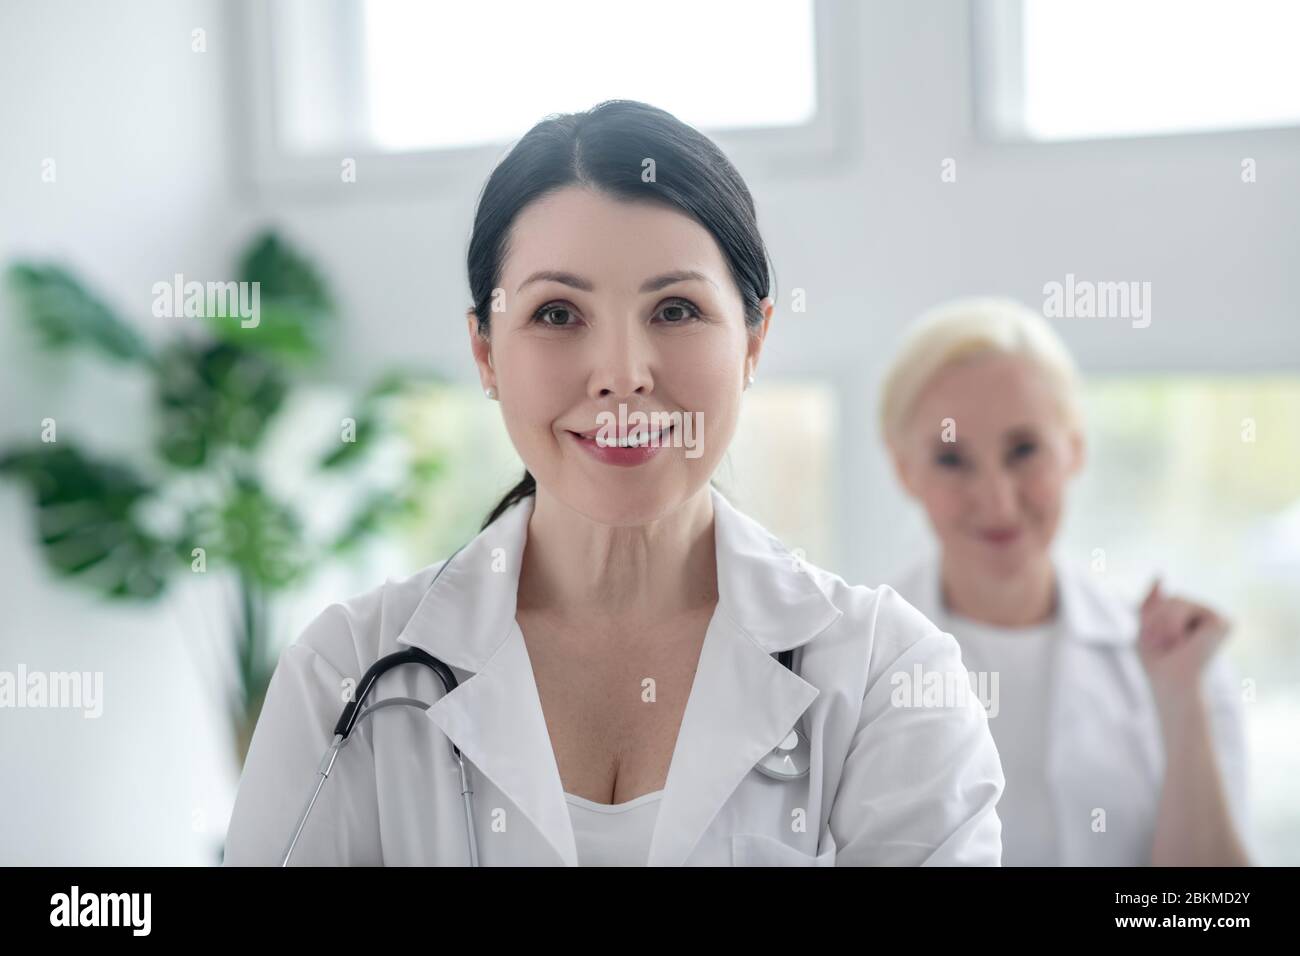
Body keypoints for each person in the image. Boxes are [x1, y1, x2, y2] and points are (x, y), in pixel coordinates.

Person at [223, 100, 1003, 866]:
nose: (623, 377)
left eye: (675, 309)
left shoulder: (886, 679)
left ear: (754, 342)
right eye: (558, 314)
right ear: (487, 354)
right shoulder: (345, 676)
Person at [880, 296, 1251, 866]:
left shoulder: (1179, 661)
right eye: (952, 459)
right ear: (905, 469)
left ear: (1074, 449)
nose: (997, 500)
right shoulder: (856, 657)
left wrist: (1181, 703)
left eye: (1024, 450)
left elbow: (1211, 910)